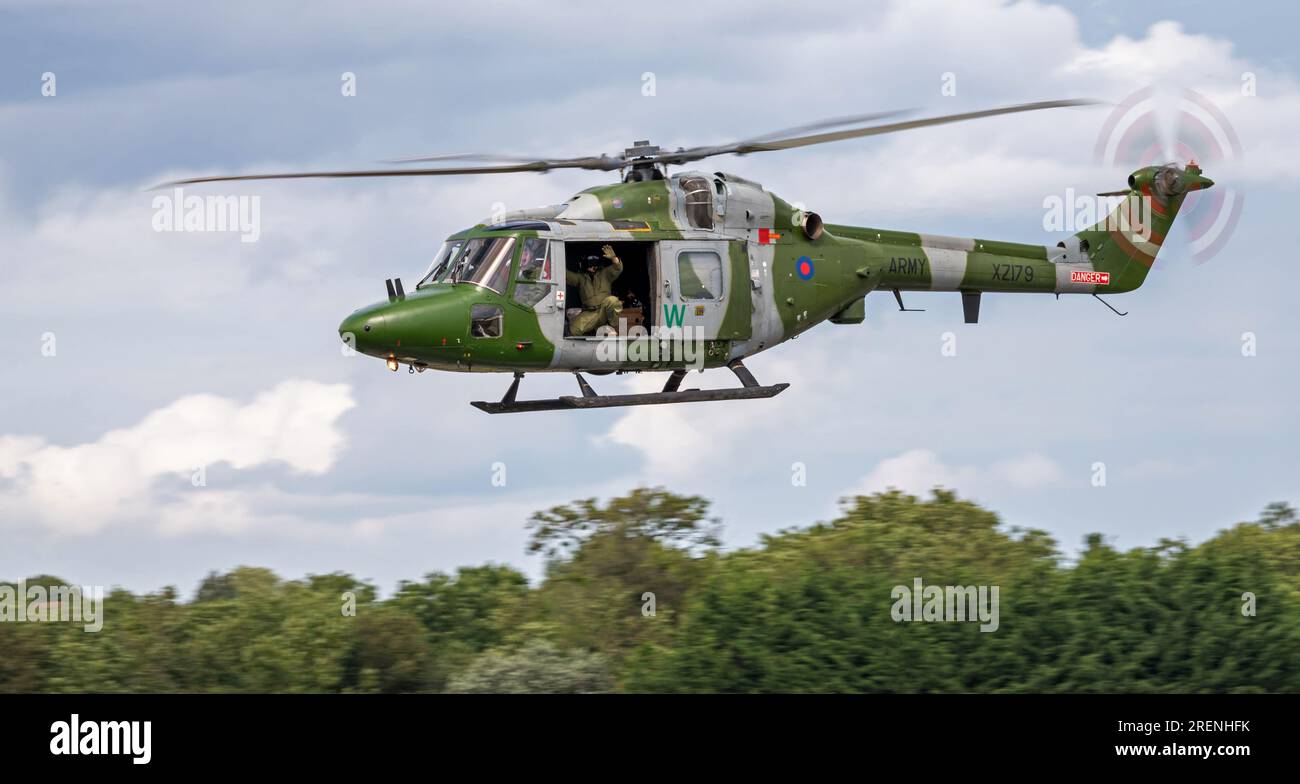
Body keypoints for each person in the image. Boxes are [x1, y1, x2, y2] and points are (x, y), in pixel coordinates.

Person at [565, 244, 623, 335]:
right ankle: (593, 332)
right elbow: (567, 276)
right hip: (589, 313)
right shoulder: (581, 278)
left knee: (612, 301)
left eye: (594, 265)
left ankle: (611, 326)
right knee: (572, 330)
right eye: (590, 265)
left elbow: (618, 268)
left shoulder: (605, 274)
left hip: (604, 311)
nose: (592, 268)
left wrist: (613, 258)